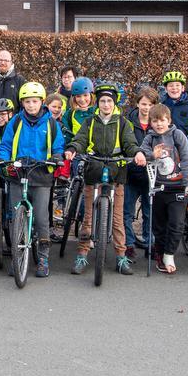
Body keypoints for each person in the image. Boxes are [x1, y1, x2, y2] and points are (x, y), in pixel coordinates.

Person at [65, 82, 138, 277]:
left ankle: (121, 257)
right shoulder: (90, 121)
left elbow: (130, 143)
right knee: (88, 217)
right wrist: (73, 149)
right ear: (98, 103)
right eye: (103, 101)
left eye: (109, 101)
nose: (106, 104)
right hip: (94, 170)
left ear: (114, 103)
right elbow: (80, 139)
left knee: (117, 219)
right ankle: (82, 254)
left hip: (116, 172)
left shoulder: (123, 122)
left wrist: (137, 153)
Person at [0, 81, 63, 277]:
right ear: (22, 103)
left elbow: (58, 146)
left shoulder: (50, 123)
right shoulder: (16, 121)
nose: (31, 105)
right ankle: (18, 256)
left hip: (41, 174)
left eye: (34, 101)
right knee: (16, 214)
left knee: (42, 218)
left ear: (41, 102)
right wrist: (3, 158)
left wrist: (56, 158)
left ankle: (42, 257)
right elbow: (6, 144)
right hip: (18, 172)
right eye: (27, 102)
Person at [135, 103, 188, 274]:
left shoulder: (178, 135)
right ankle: (160, 253)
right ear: (151, 122)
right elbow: (142, 152)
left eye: (162, 121)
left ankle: (169, 254)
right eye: (155, 121)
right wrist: (150, 155)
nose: (159, 124)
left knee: (177, 224)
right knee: (159, 227)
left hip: (177, 187)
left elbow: (186, 158)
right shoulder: (150, 138)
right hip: (158, 188)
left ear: (169, 120)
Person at [123, 85, 158, 261]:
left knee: (149, 211)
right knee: (126, 212)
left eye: (150, 105)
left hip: (151, 175)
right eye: (143, 104)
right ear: (137, 104)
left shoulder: (158, 123)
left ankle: (149, 243)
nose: (146, 108)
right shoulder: (128, 122)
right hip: (130, 173)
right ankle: (129, 245)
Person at [158, 70, 188, 134]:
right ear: (166, 89)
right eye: (171, 85)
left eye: (177, 85)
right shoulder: (161, 105)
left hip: (184, 142)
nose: (174, 88)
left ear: (182, 88)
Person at [62, 77, 95, 144]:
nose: (82, 99)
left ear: (91, 95)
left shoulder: (98, 112)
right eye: (78, 96)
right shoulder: (69, 114)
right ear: (74, 98)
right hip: (77, 150)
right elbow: (67, 137)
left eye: (85, 95)